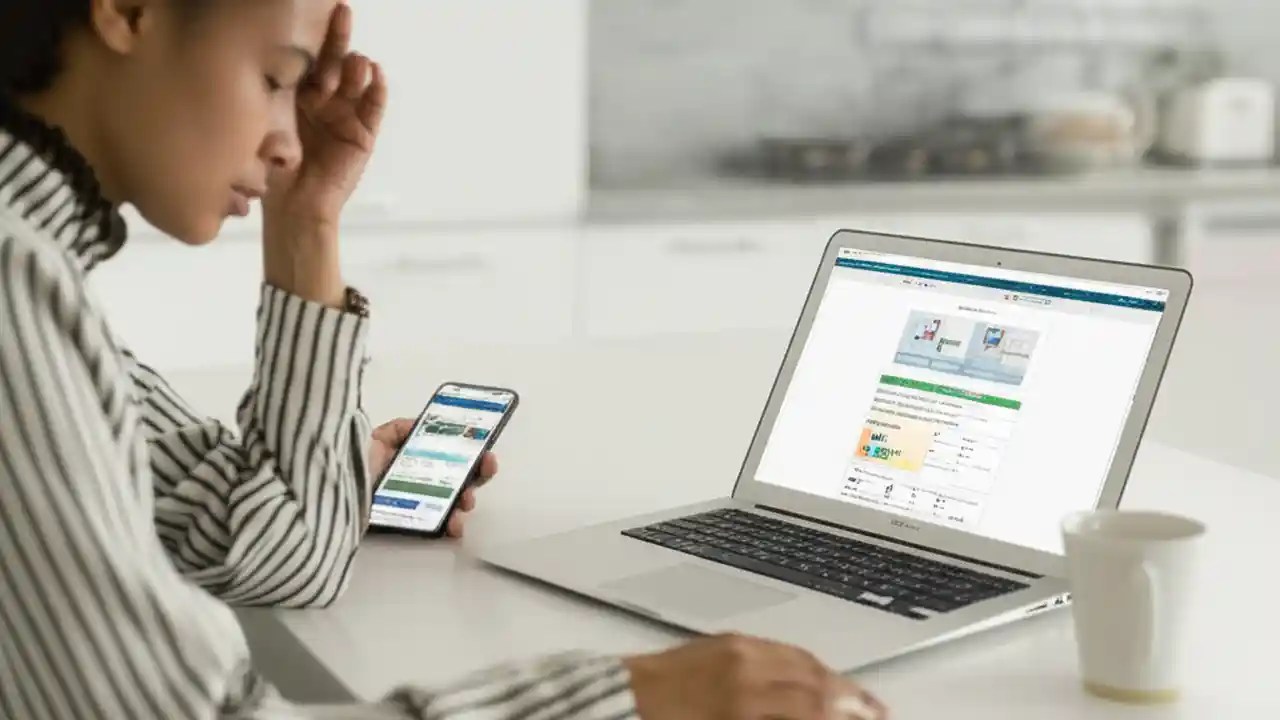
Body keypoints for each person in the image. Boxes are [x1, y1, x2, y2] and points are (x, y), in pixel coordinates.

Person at [0, 1, 889, 718]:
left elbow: (275, 547)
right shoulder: (13, 282)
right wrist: (634, 697)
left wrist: (306, 218)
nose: (286, 139)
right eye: (274, 78)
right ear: (126, 10)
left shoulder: (39, 273)